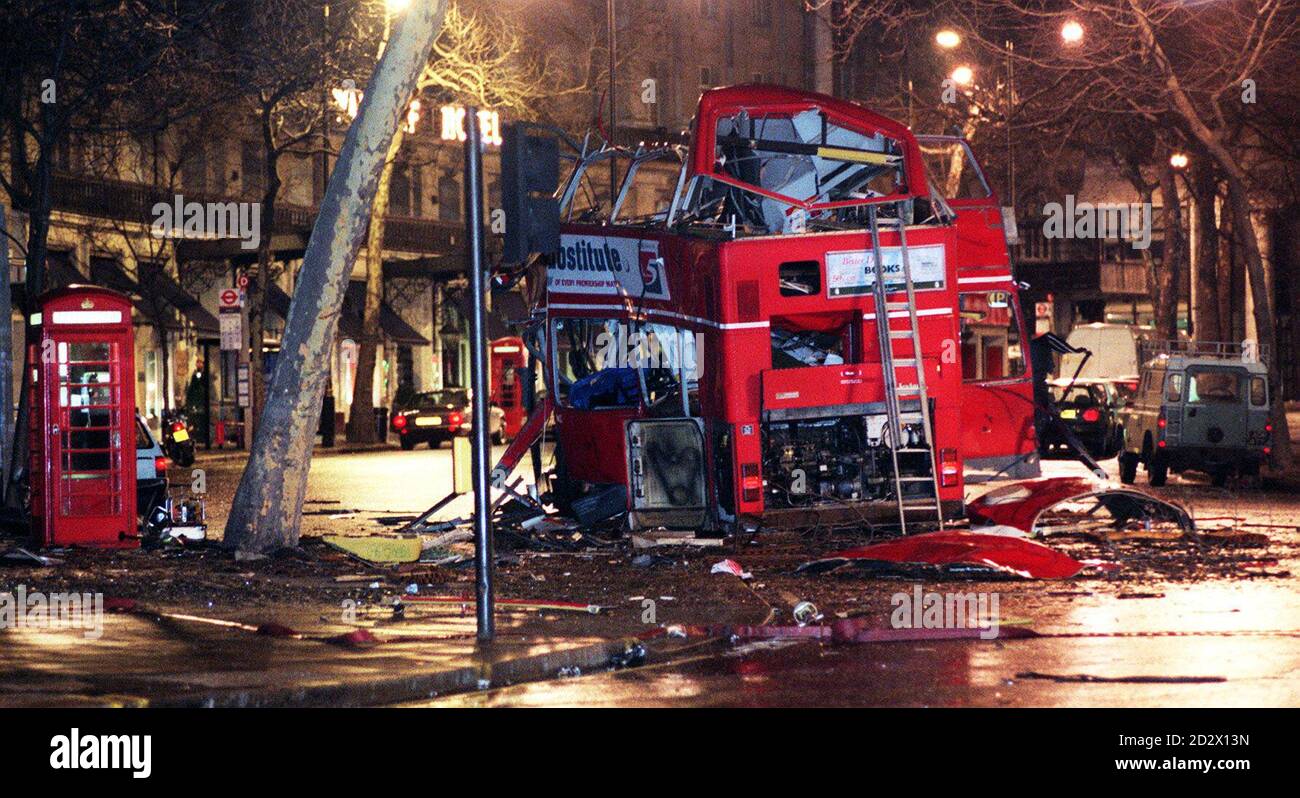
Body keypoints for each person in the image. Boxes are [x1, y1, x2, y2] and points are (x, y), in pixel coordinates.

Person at [185, 360, 209, 446]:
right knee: (193, 422)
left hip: (201, 405)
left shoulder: (204, 375)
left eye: (200, 362)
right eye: (197, 363)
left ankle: (201, 437)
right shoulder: (195, 375)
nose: (198, 364)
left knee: (200, 422)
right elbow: (191, 389)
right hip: (196, 405)